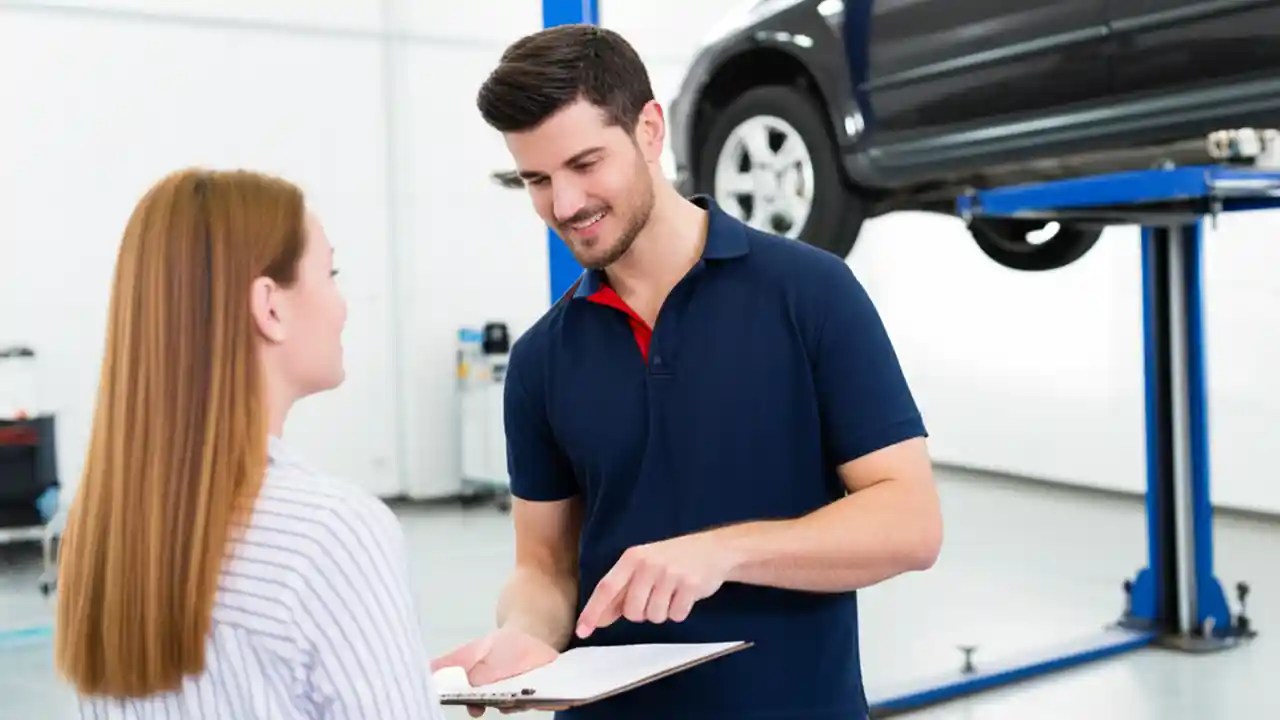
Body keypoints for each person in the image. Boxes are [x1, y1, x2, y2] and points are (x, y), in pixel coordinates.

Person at [431, 24, 943, 720]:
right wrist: (526, 634)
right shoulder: (540, 360)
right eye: (538, 180)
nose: (565, 204)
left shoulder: (811, 294)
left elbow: (910, 522)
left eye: (585, 164)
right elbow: (543, 565)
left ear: (649, 130)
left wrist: (724, 553)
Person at [54, 168, 447, 719]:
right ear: (269, 306)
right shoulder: (331, 533)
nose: (343, 305)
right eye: (330, 273)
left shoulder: (101, 532)